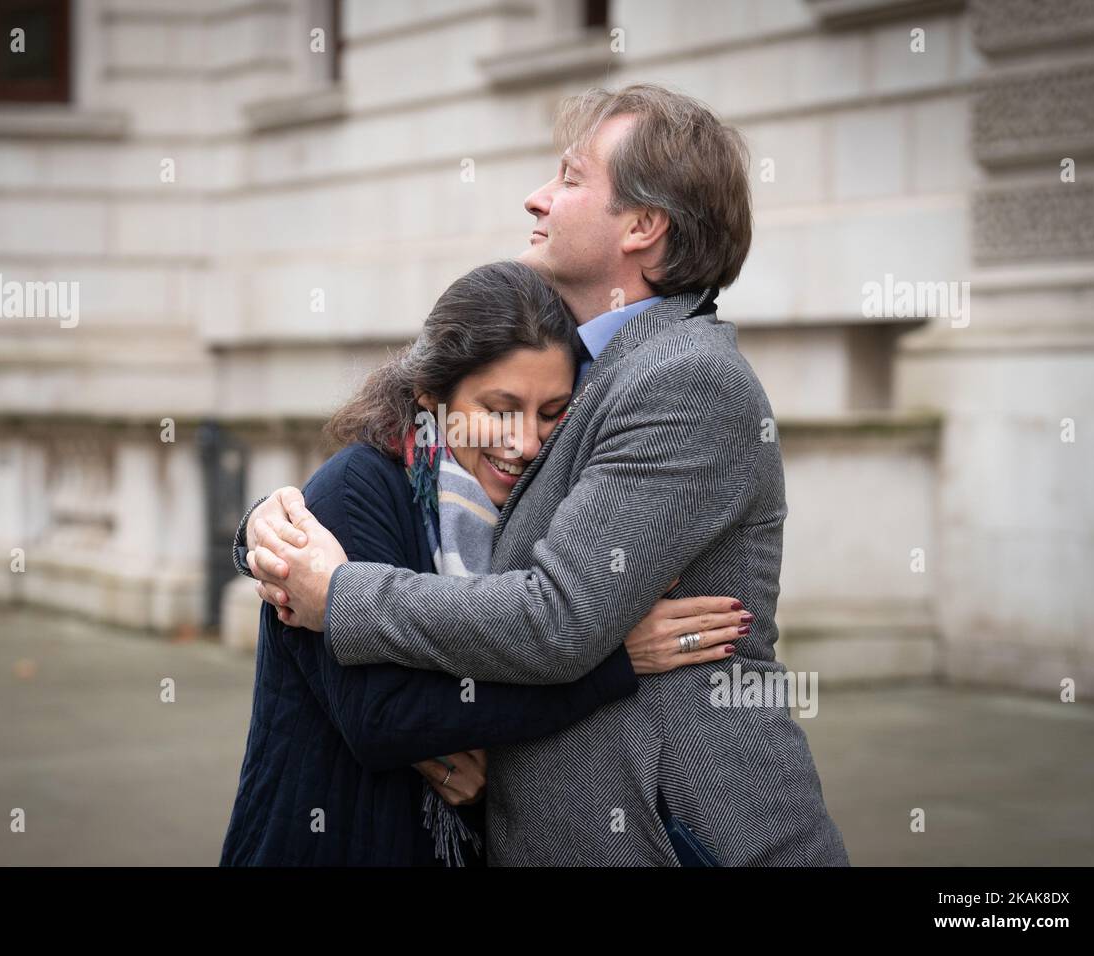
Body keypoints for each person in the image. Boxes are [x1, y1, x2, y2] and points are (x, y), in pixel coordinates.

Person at [238, 84, 850, 866]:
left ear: (642, 225)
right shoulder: (589, 367)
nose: (537, 198)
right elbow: (399, 463)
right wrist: (262, 527)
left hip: (682, 835)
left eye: (568, 178)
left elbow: (556, 620)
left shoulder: (684, 380)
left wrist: (341, 593)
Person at [221, 260, 747, 866]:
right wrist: (611, 661)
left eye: (553, 413)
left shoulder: (548, 507)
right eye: (499, 409)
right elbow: (381, 719)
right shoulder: (354, 489)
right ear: (432, 396)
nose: (524, 443)